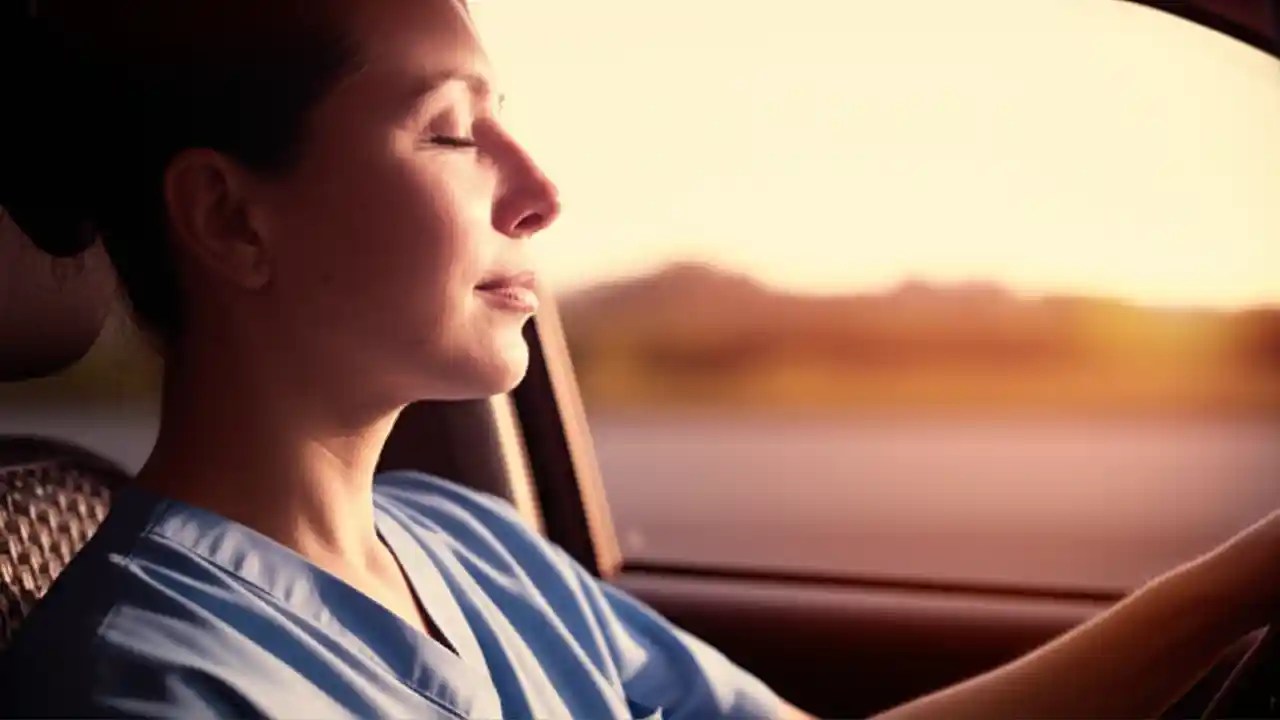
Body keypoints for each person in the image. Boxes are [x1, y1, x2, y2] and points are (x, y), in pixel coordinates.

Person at [0, 0, 1277, 718]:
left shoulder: (470, 547)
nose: (540, 191)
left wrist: (1223, 595)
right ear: (231, 217)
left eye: (511, 123)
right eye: (452, 133)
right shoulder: (152, 689)